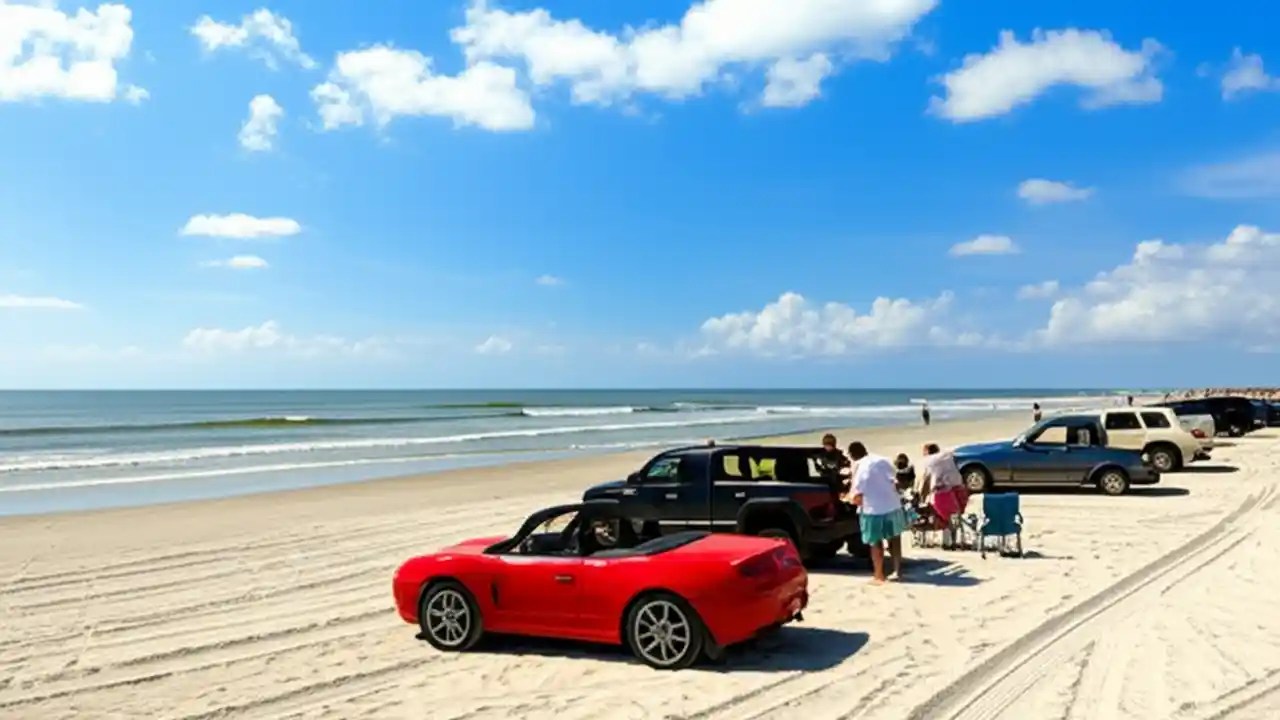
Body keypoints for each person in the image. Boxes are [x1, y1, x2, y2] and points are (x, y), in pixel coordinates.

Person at [847, 441, 906, 583]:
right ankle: (897, 571)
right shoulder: (883, 460)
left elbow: (857, 493)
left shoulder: (860, 466)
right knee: (894, 539)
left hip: (873, 509)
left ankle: (879, 575)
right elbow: (895, 480)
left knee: (876, 542)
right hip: (893, 505)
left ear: (852, 456)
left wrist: (849, 499)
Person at [919, 443, 968, 530]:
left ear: (926, 453)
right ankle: (955, 536)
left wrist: (921, 498)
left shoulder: (928, 460)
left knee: (943, 516)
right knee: (956, 518)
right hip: (960, 490)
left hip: (944, 494)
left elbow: (925, 481)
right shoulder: (947, 456)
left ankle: (948, 536)